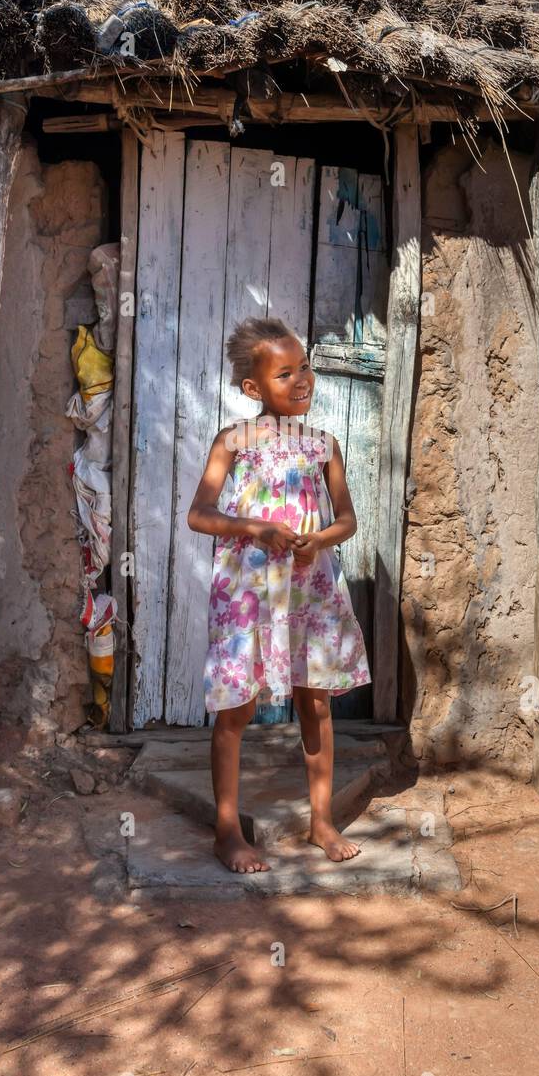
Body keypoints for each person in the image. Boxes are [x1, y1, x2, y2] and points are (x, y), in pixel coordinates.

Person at [187, 316, 372, 874]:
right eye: (285, 373)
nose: (302, 381)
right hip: (249, 593)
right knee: (236, 708)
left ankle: (321, 821)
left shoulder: (323, 446)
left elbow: (348, 520)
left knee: (314, 702)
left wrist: (320, 539)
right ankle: (227, 831)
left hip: (309, 588)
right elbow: (199, 515)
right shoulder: (233, 441)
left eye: (306, 367)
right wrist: (256, 530)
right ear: (253, 389)